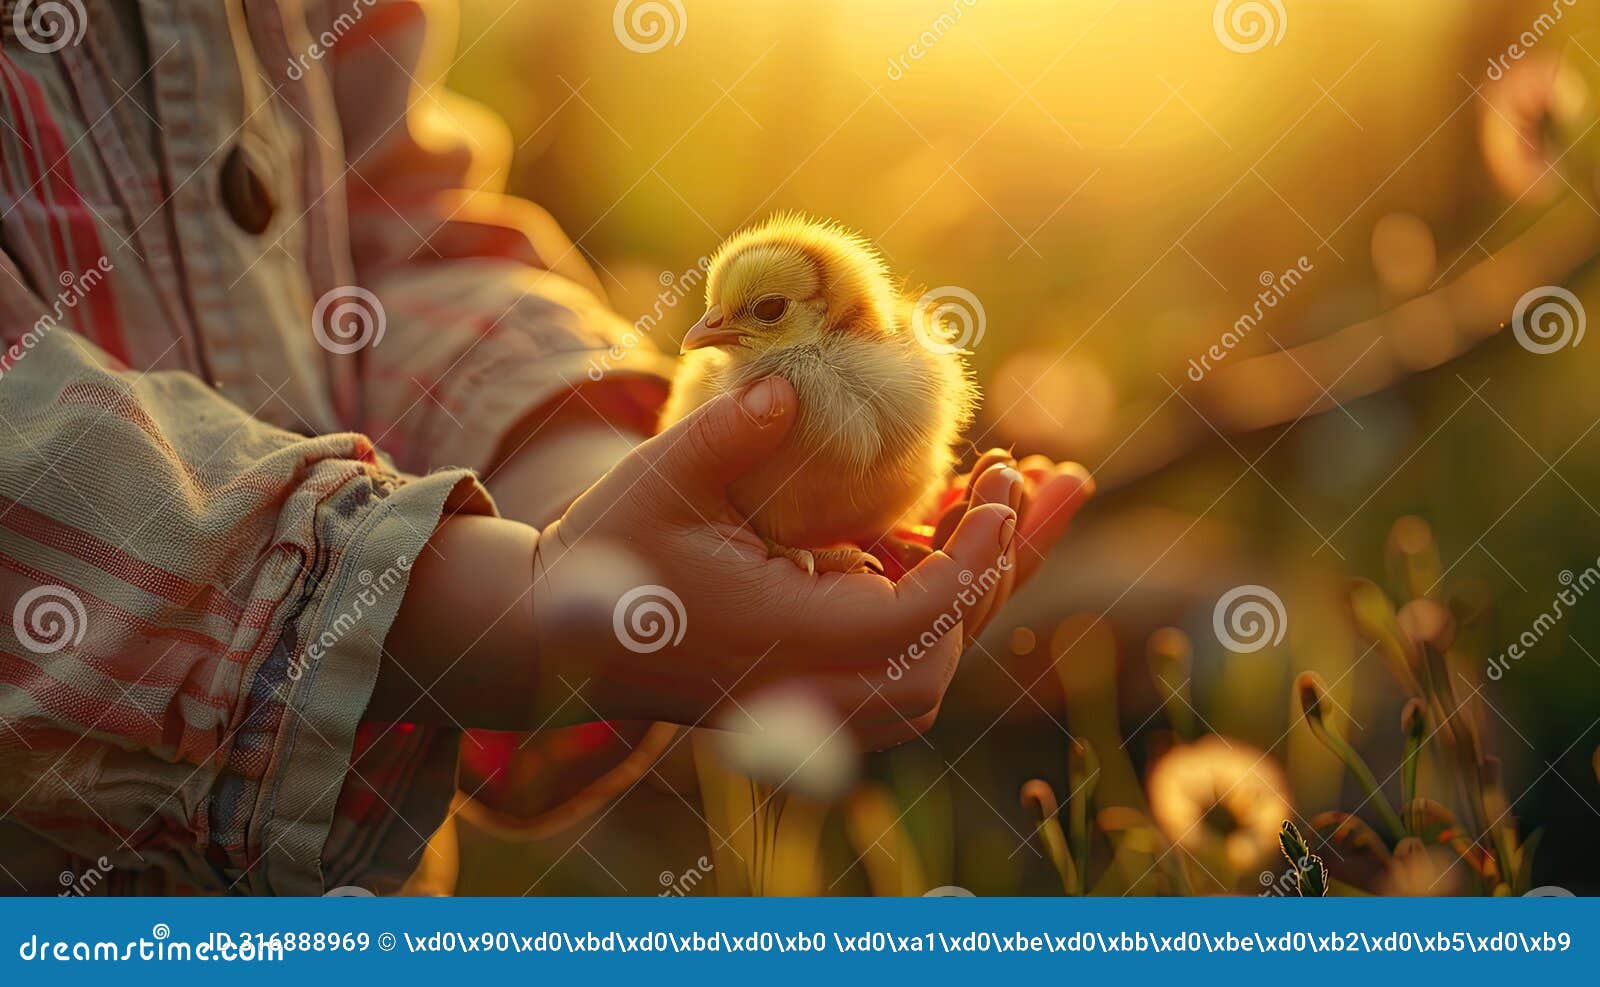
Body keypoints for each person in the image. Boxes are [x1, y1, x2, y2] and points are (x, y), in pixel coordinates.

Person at [0, 1, 1089, 895]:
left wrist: (576, 480)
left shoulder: (855, 373)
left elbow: (391, 221)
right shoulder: (754, 373)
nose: (707, 341)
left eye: (753, 321)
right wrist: (488, 599)